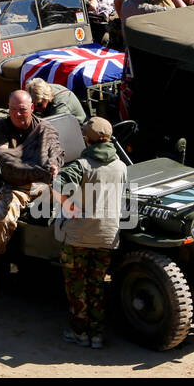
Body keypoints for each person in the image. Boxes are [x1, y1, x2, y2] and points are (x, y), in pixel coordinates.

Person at [52, 116, 126, 348]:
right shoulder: (121, 166)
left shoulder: (81, 166)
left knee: (76, 286)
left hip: (78, 236)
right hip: (107, 235)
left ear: (87, 140)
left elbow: (57, 186)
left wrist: (67, 206)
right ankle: (96, 335)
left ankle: (79, 332)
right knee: (96, 285)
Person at [0, 90, 64, 297]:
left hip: (45, 184)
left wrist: (54, 166)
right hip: (16, 185)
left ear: (32, 109)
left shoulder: (44, 128)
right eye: (13, 110)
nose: (18, 114)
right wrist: (38, 169)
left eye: (22, 110)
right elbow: (4, 158)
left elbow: (56, 151)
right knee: (2, 218)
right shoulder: (1, 127)